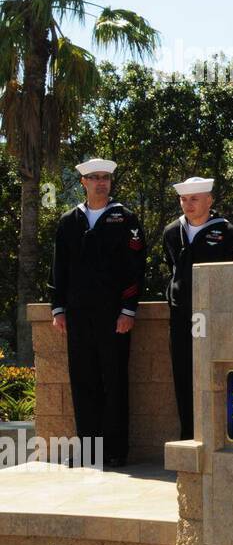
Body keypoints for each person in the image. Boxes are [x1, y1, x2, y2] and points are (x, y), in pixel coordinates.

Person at [49, 158, 146, 468]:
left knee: (114, 380)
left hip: (113, 315)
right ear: (83, 183)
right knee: (83, 380)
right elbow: (59, 268)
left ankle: (115, 451)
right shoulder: (69, 221)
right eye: (94, 178)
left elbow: (136, 269)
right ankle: (89, 451)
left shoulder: (125, 219)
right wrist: (58, 308)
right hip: (77, 315)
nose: (101, 182)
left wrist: (128, 310)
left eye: (105, 177)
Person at [162, 177, 233, 440]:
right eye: (184, 199)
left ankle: (219, 439)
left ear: (209, 200)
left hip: (216, 318)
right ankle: (189, 438)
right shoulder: (171, 232)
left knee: (216, 378)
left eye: (195, 199)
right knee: (183, 378)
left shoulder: (229, 233)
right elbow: (172, 267)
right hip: (181, 316)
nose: (188, 204)